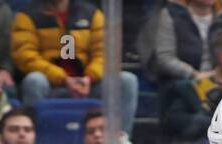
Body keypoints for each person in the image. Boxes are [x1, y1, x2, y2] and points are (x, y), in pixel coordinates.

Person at [12, 0, 140, 135]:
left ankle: (121, 142)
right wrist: (62, 78)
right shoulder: (27, 15)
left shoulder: (92, 14)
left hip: (88, 85)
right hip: (51, 85)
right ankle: (34, 141)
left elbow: (105, 52)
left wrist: (89, 77)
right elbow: (25, 55)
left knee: (127, 81)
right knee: (34, 80)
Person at [151, 0, 222, 81]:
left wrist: (219, 75)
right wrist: (193, 74)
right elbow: (165, 57)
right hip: (182, 81)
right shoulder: (170, 14)